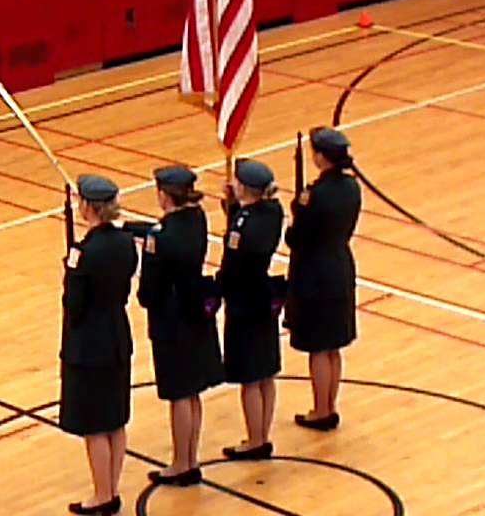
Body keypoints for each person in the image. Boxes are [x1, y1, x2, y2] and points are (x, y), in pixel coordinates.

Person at [132, 165, 224, 487]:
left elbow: (149, 293)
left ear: (163, 195)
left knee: (179, 394)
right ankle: (190, 457)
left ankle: (180, 463)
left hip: (172, 320)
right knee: (192, 393)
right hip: (196, 309)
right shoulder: (197, 219)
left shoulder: (161, 240)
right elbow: (167, 233)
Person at [59, 174, 138, 515]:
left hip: (89, 344)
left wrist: (69, 271)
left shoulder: (84, 252)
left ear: (90, 207)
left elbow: (74, 305)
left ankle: (102, 495)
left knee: (94, 425)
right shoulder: (125, 243)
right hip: (117, 335)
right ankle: (112, 487)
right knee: (114, 420)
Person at [284, 126, 361, 431]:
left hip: (314, 273)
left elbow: (296, 239)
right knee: (333, 346)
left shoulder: (314, 196)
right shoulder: (352, 187)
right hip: (340, 266)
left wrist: (297, 215)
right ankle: (330, 405)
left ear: (320, 157)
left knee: (318, 346)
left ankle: (321, 409)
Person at [216, 159, 284, 460]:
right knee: (266, 373)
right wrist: (234, 206)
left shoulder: (245, 225)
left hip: (243, 301)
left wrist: (217, 288)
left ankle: (255, 440)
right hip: (264, 294)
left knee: (250, 378)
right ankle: (263, 433)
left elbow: (232, 263)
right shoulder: (273, 212)